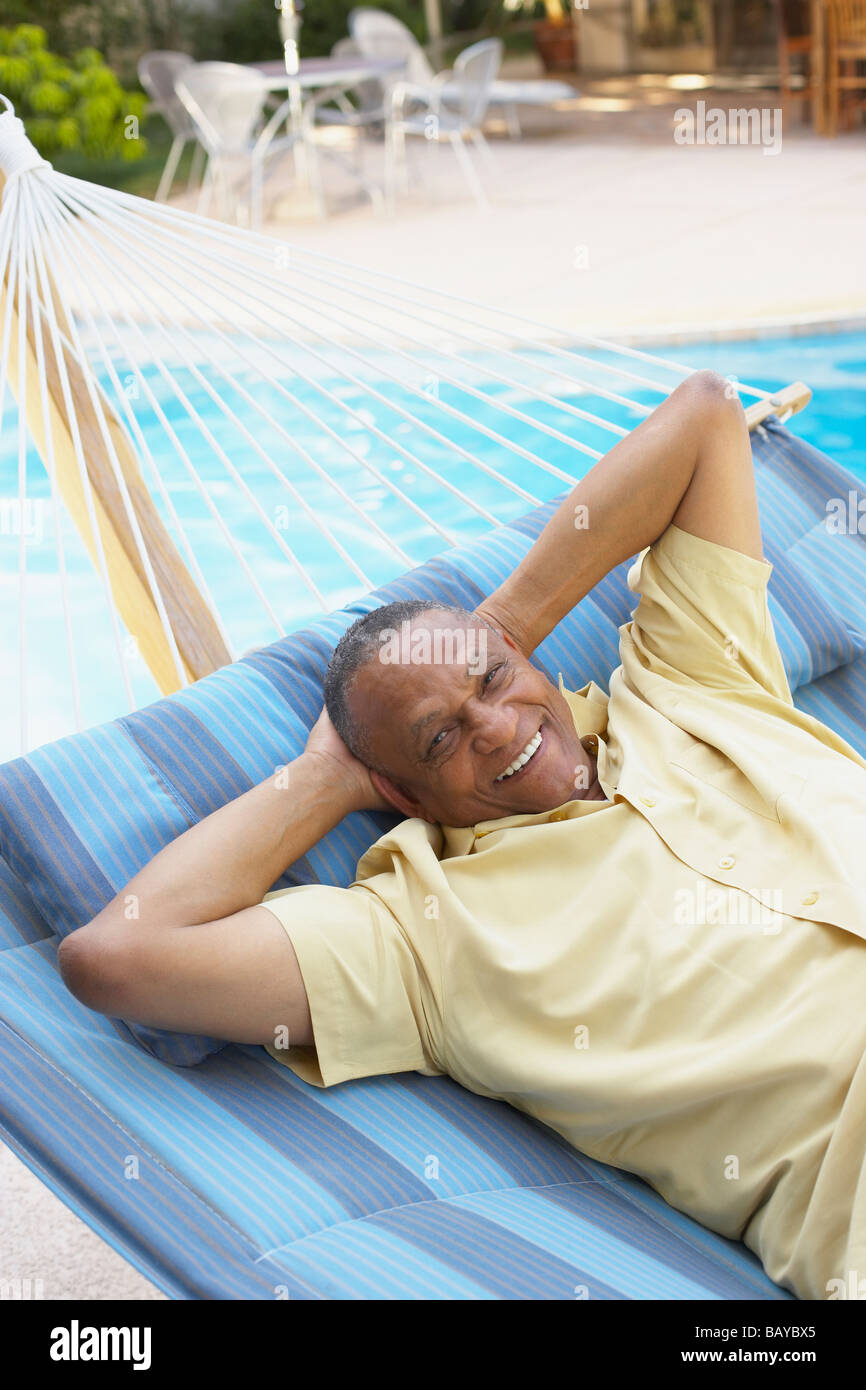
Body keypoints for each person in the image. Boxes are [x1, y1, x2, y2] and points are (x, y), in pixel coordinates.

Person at [57, 370, 866, 1301]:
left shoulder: (693, 680)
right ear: (400, 791)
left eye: (493, 682)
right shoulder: (426, 937)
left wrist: (502, 629)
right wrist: (324, 778)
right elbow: (118, 958)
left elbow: (708, 413)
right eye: (439, 740)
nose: (495, 727)